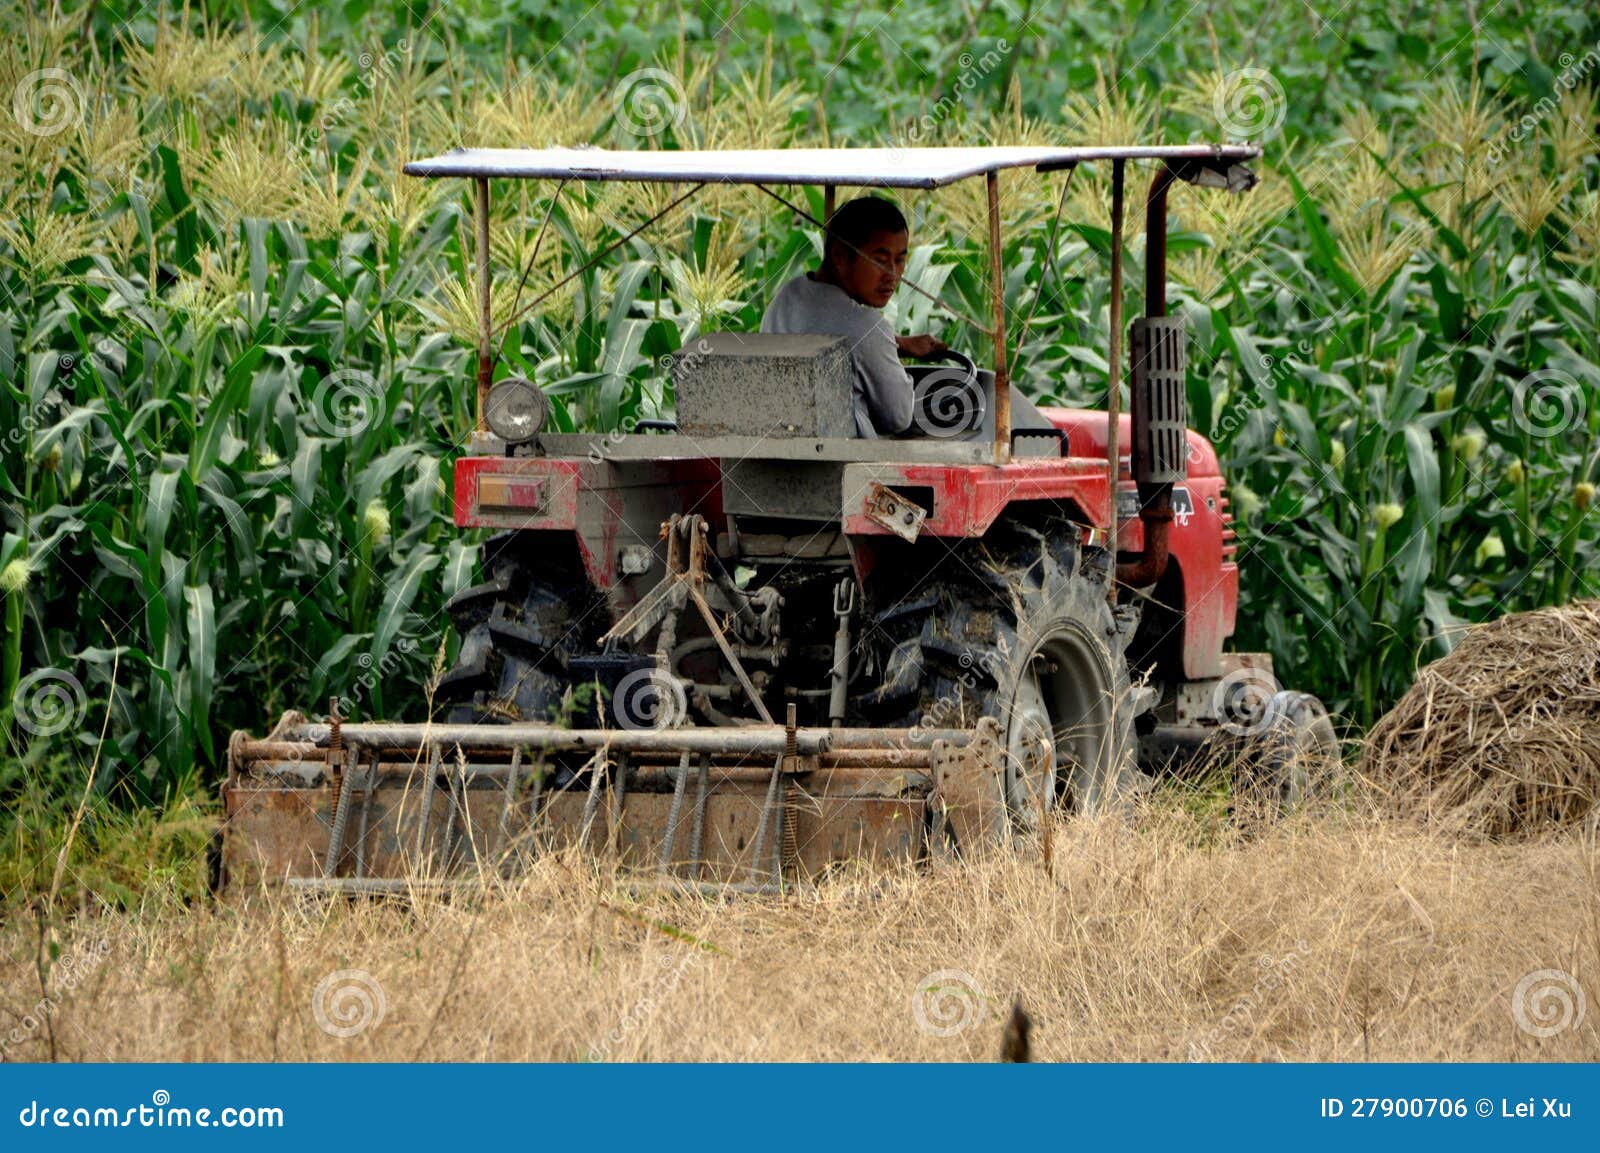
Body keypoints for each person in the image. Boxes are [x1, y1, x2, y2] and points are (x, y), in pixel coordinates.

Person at [760, 196, 948, 437]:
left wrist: (896, 344)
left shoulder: (785, 297)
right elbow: (898, 417)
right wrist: (885, 344)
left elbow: (826, 332)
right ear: (840, 256)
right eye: (880, 261)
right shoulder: (866, 325)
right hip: (846, 466)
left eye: (900, 260)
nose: (892, 275)